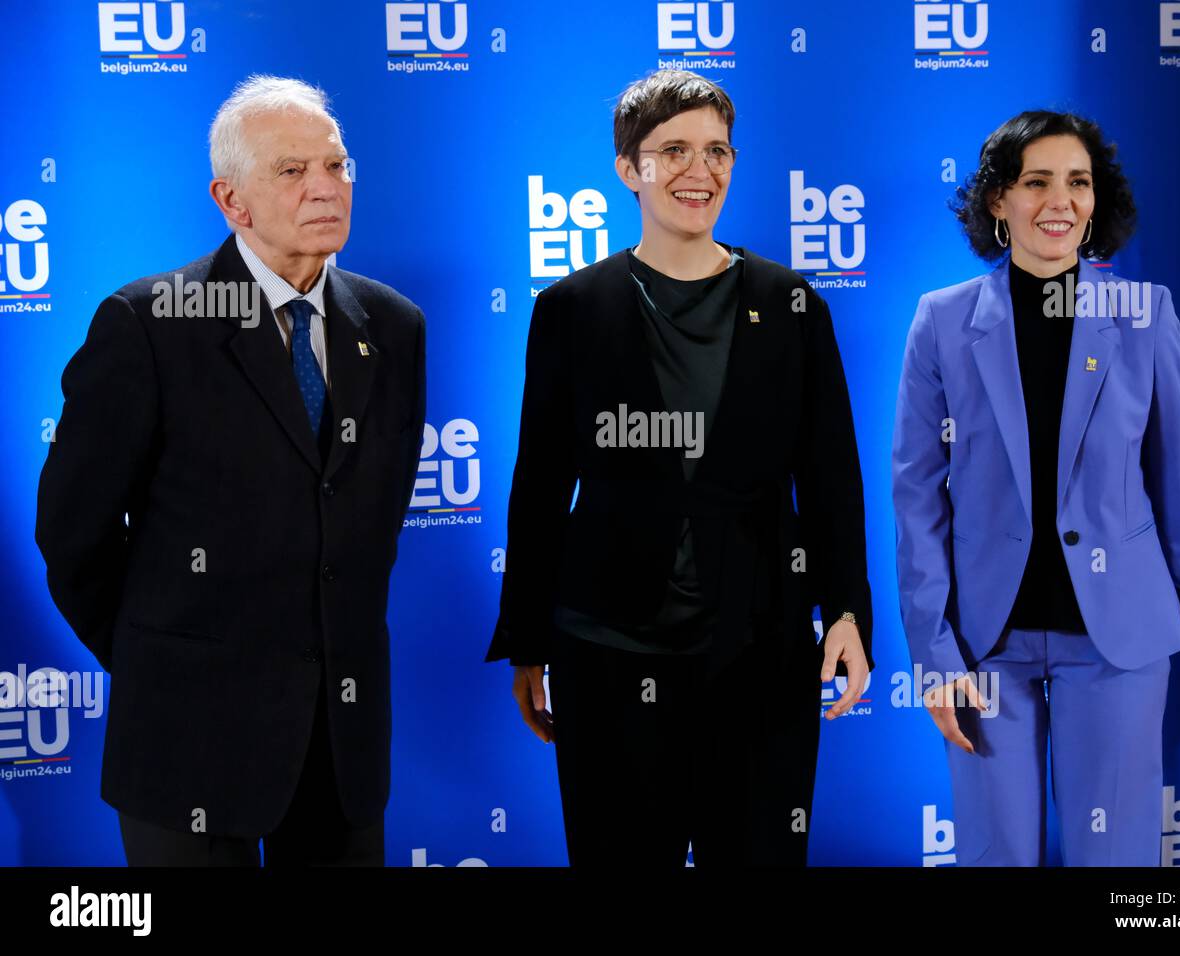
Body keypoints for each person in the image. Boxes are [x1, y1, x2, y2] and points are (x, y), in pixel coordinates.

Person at [35, 75, 426, 866]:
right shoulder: (146, 325)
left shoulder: (394, 326)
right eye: (293, 171)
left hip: (341, 746)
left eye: (338, 166)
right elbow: (73, 537)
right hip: (185, 739)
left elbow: (372, 521)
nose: (326, 188)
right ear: (232, 200)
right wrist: (163, 658)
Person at [487, 69, 872, 866]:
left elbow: (832, 475)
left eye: (718, 151)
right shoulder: (570, 308)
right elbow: (540, 483)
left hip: (761, 643)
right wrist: (527, 638)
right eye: (674, 152)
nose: (701, 171)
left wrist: (845, 611)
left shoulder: (793, 302)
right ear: (629, 169)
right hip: (606, 648)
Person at [891, 110, 1180, 866]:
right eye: (1036, 181)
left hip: (1119, 641)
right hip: (986, 644)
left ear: (1096, 199)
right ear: (997, 202)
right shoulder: (941, 322)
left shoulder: (1144, 316)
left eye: (1078, 182)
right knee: (998, 854)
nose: (1060, 201)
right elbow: (917, 499)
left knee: (1114, 864)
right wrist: (934, 653)